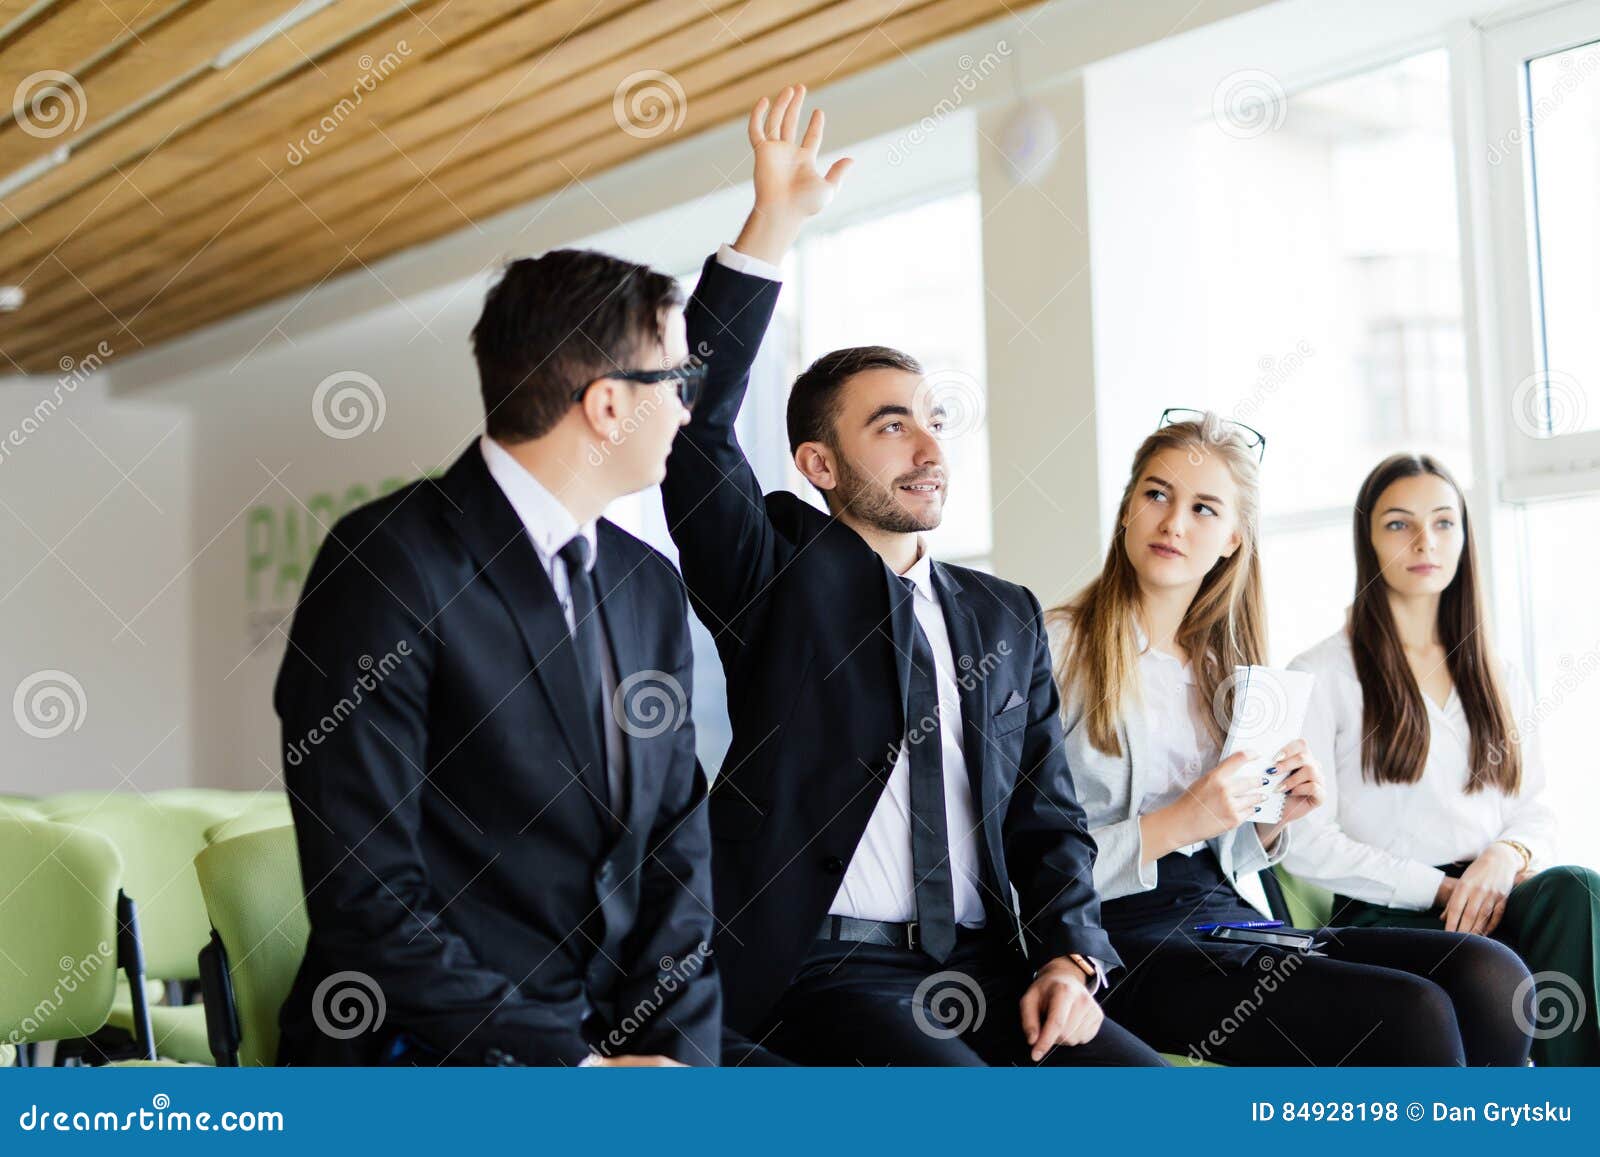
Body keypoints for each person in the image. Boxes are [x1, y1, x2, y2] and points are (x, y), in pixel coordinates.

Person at [660, 85, 1162, 1067]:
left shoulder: (1003, 614)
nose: (927, 441)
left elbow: (1045, 817)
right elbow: (689, 426)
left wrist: (1071, 956)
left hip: (996, 969)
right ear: (817, 463)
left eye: (933, 415)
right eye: (889, 423)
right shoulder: (775, 567)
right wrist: (772, 225)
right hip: (825, 970)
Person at [274, 222, 720, 1066]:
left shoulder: (647, 585)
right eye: (680, 378)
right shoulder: (388, 563)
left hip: (621, 1044)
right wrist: (576, 1069)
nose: (690, 406)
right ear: (610, 403)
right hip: (436, 1051)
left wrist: (677, 1055)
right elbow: (367, 900)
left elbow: (677, 852)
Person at [1047, 412, 1533, 1066]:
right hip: (1117, 933)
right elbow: (1026, 861)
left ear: (1232, 539)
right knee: (1412, 1012)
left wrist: (1274, 824)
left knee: (1490, 977)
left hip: (1224, 917)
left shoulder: (1228, 670)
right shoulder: (1055, 646)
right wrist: (1177, 820)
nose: (1173, 522)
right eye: (1156, 494)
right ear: (1128, 509)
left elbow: (1234, 851)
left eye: (1204, 508)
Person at [1285, 451, 1599, 1065]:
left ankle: (1577, 1112)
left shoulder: (1497, 671)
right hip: (1392, 913)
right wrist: (1441, 890)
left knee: (1577, 891)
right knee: (1487, 969)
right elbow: (1304, 842)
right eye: (1399, 523)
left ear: (1464, 535)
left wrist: (1504, 857)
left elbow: (1535, 808)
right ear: (1368, 542)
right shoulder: (1321, 673)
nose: (1425, 540)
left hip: (1494, 894)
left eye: (1444, 521)